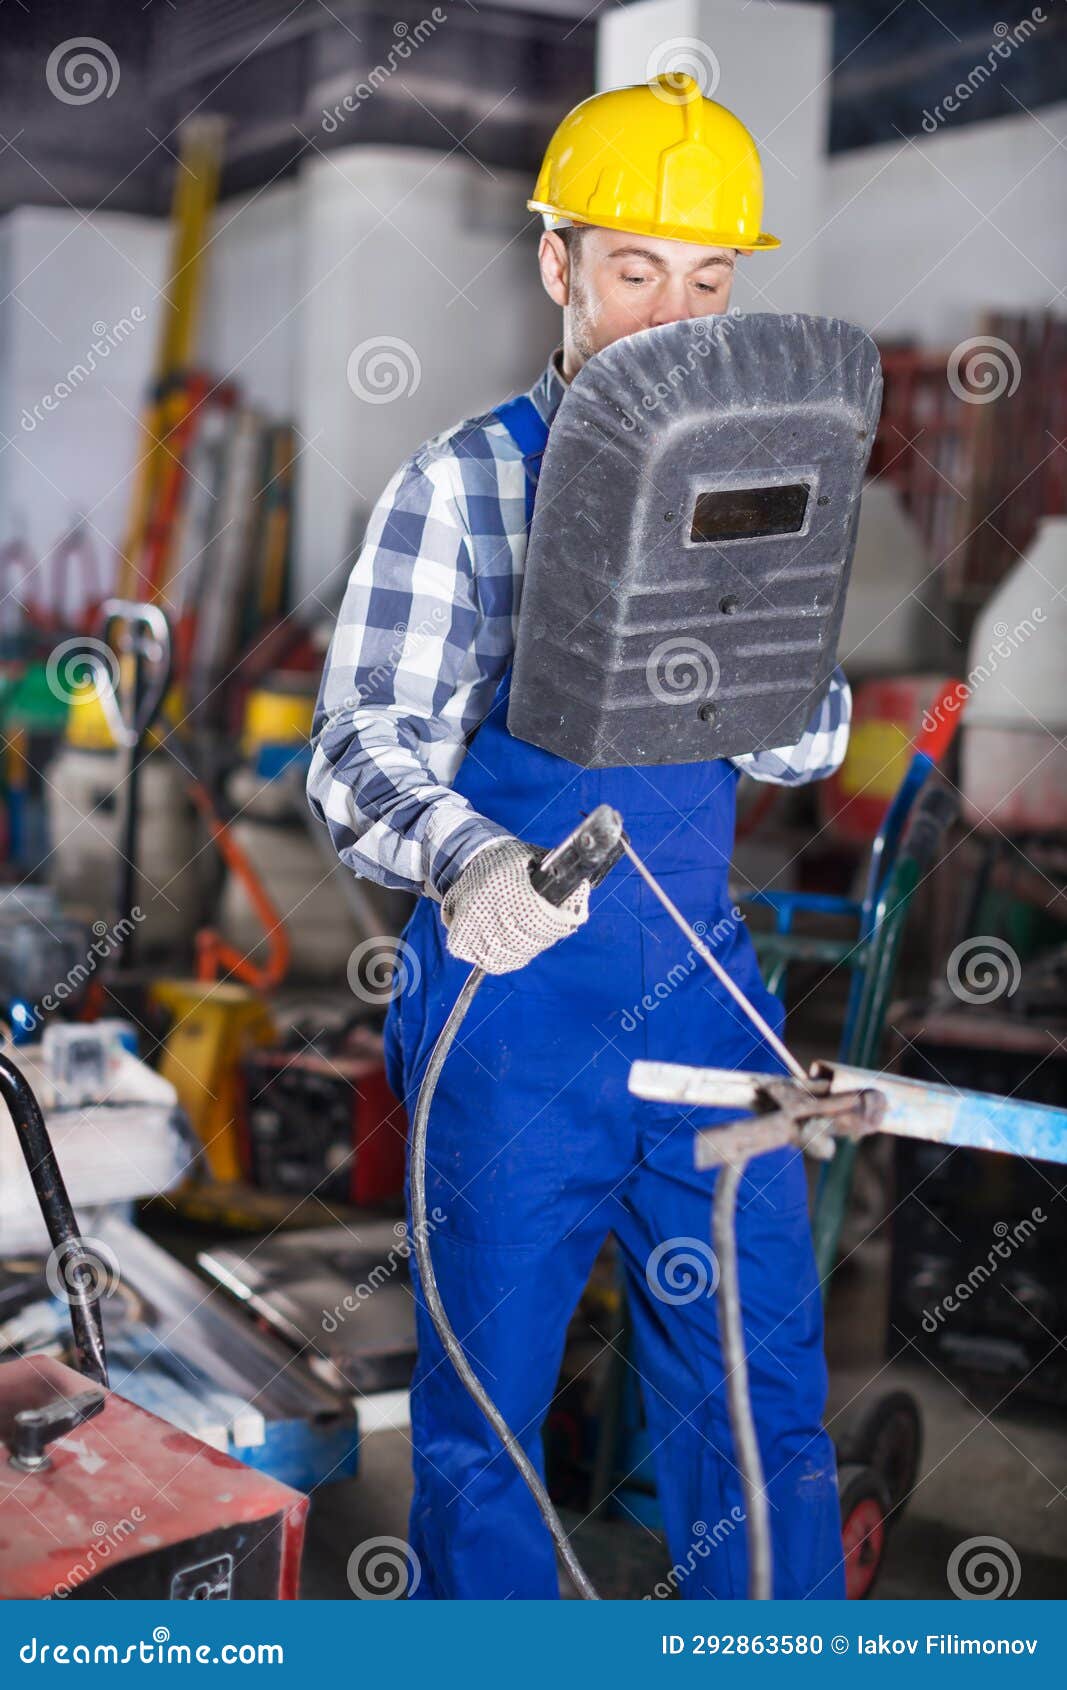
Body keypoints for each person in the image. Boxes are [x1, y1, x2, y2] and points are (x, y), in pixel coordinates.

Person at [308, 74, 850, 1600]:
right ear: (559, 265)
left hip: (704, 999)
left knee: (763, 1407)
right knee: (485, 1431)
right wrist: (469, 860)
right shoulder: (463, 484)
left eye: (709, 279)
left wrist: (758, 635)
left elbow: (805, 736)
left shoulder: (751, 479)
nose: (673, 317)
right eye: (634, 271)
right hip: (513, 1012)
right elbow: (360, 743)